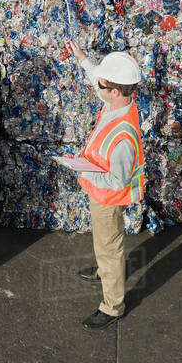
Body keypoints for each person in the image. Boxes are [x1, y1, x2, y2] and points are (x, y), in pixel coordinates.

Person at [66, 41, 145, 330]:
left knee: (110, 248)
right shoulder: (116, 103)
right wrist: (84, 59)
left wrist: (84, 172)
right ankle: (102, 270)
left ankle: (113, 306)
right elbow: (98, 79)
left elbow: (116, 180)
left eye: (101, 84)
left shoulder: (124, 135)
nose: (96, 87)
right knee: (104, 243)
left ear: (113, 91)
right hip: (98, 192)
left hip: (108, 197)